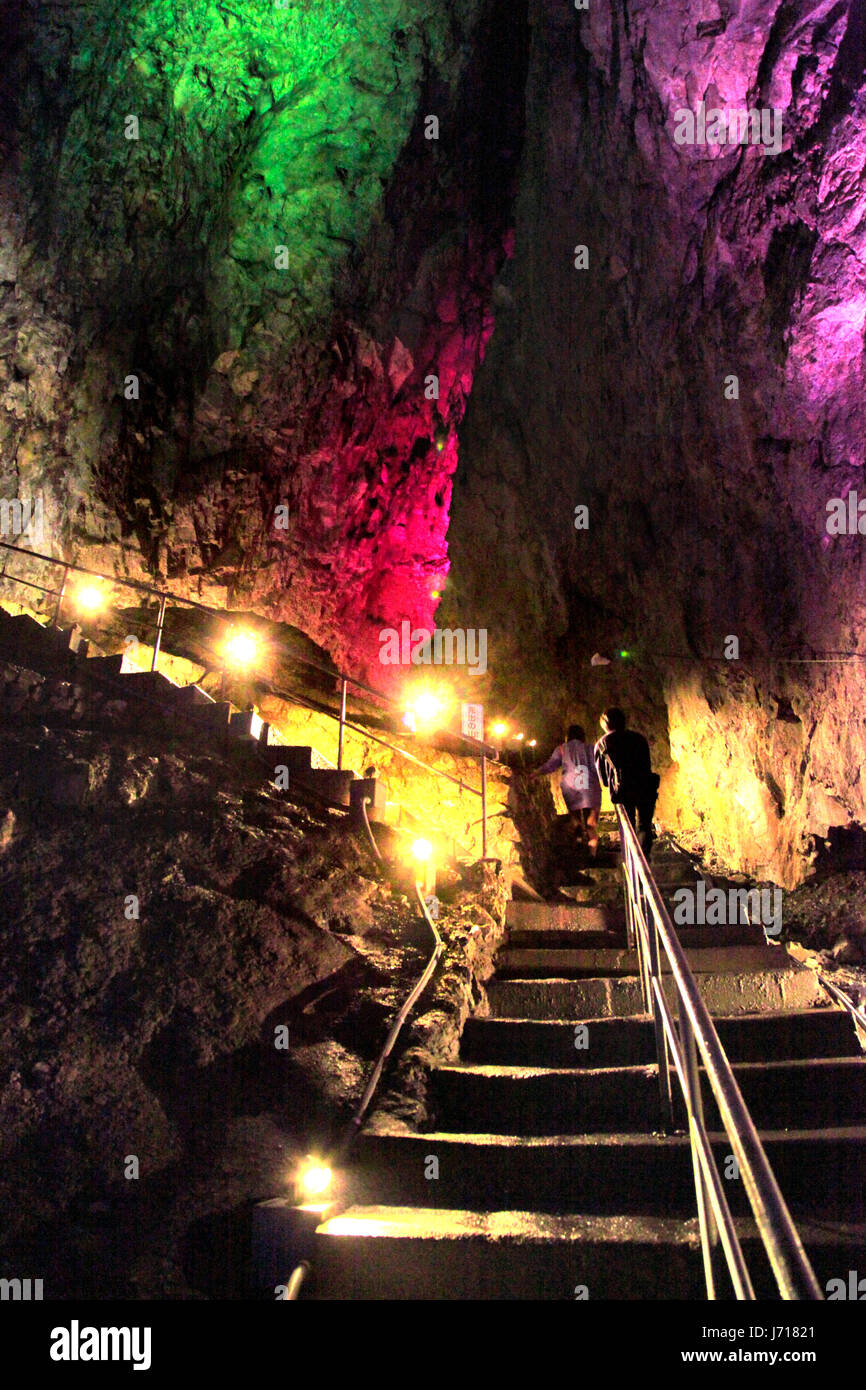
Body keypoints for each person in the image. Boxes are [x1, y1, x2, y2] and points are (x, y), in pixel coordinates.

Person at [594, 707, 659, 853]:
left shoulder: (601, 744)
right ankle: (645, 858)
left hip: (622, 791)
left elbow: (603, 779)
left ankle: (631, 857)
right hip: (644, 787)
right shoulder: (639, 738)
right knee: (644, 826)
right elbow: (647, 765)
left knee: (627, 826)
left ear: (605, 724)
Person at [532, 724, 602, 857]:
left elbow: (550, 765)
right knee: (591, 824)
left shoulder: (562, 749)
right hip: (591, 789)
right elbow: (599, 767)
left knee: (575, 820)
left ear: (567, 736)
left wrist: (535, 773)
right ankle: (592, 855)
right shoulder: (591, 749)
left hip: (571, 789)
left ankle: (577, 844)